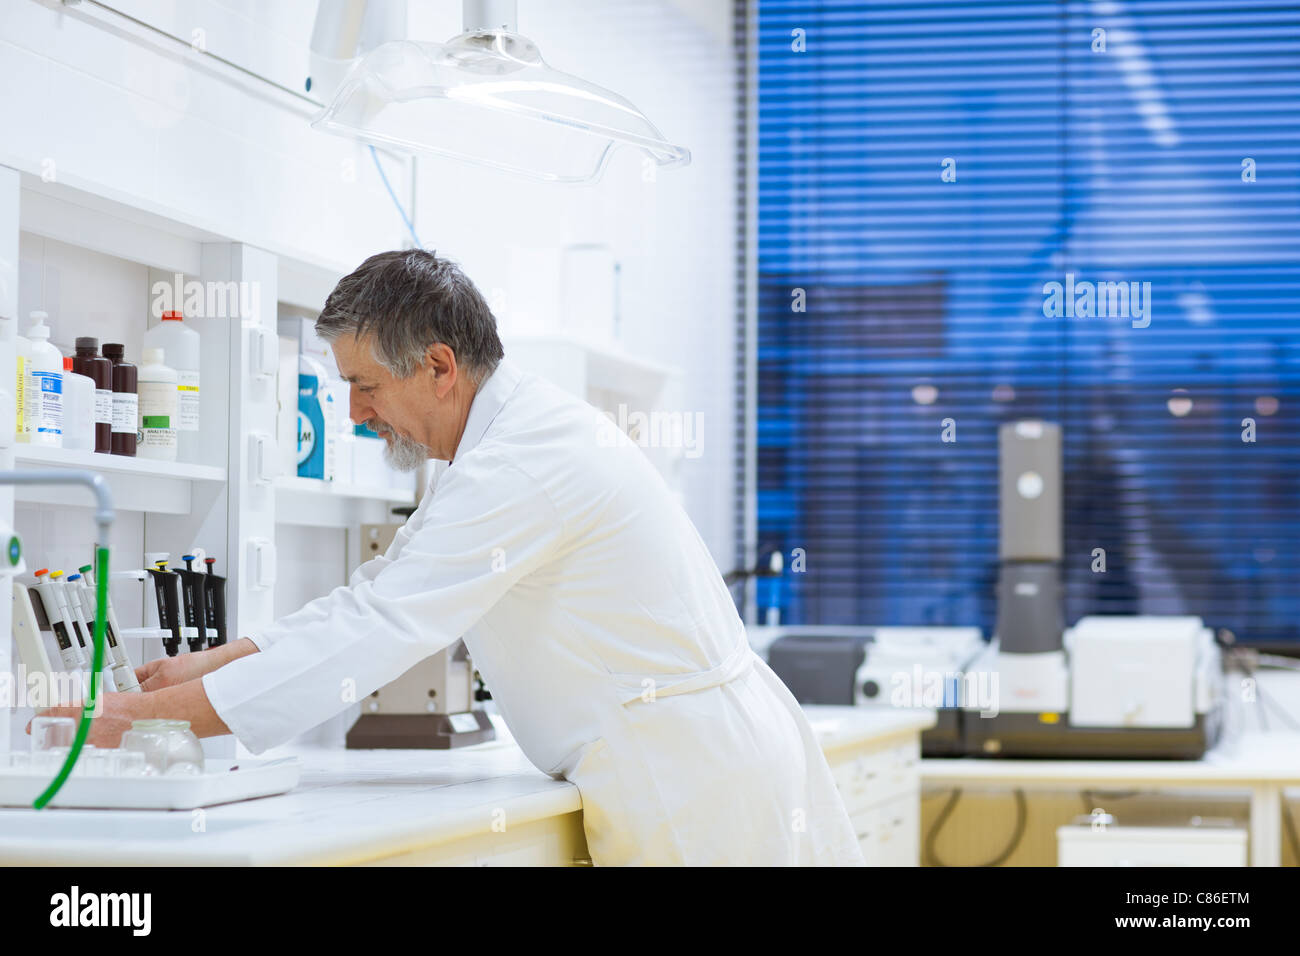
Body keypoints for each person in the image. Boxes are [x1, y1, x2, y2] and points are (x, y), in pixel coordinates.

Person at [38, 249, 864, 866]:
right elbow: (382, 591)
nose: (357, 413)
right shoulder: (498, 441)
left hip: (691, 783)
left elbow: (384, 627)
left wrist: (121, 724)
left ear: (438, 367)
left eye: (365, 386)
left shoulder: (519, 463)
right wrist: (211, 667)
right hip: (693, 756)